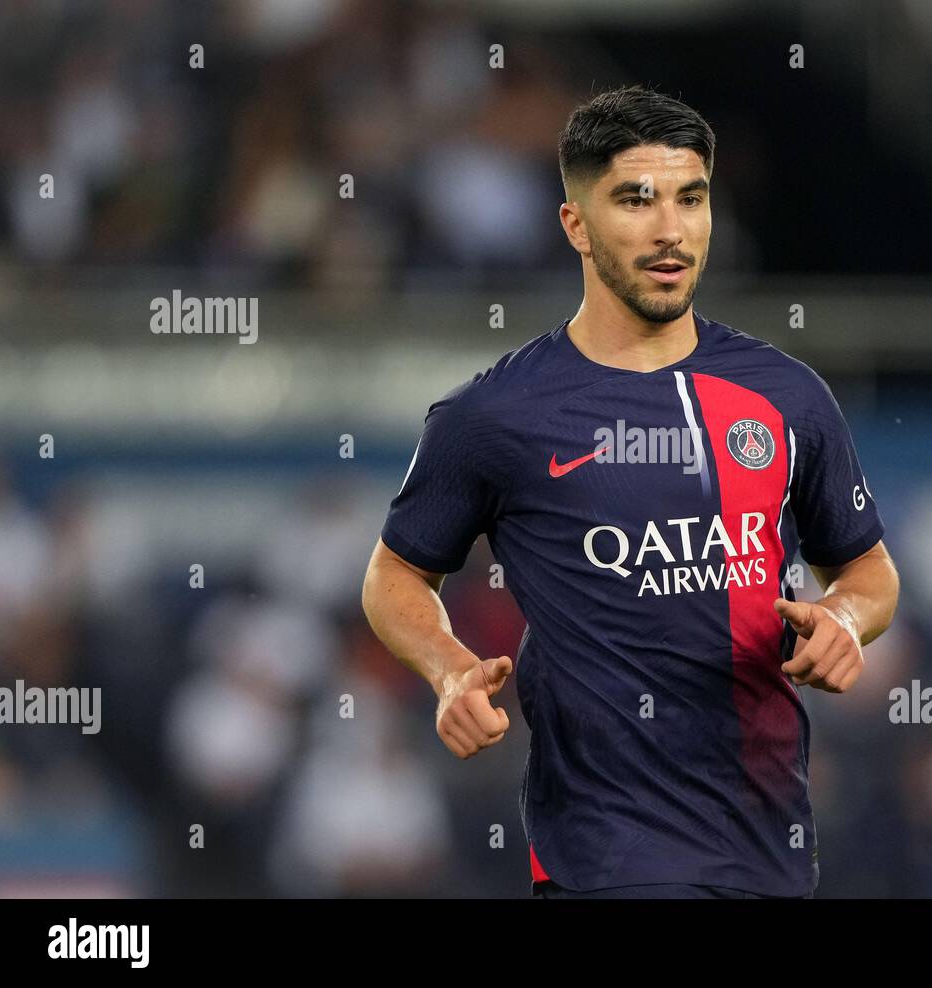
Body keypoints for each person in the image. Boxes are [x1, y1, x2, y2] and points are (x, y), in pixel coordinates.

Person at [362, 85, 900, 899]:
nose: (670, 229)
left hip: (769, 852)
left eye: (691, 199)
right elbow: (394, 575)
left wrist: (843, 621)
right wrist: (447, 669)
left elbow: (868, 571)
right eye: (635, 200)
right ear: (576, 225)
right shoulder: (494, 416)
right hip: (603, 859)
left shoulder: (787, 398)